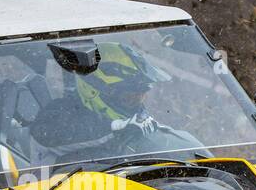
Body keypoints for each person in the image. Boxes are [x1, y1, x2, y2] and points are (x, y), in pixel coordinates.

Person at [30, 42, 160, 151]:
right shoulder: (59, 113)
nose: (136, 103)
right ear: (95, 90)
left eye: (140, 97)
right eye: (128, 98)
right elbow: (45, 135)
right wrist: (115, 127)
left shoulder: (135, 124)